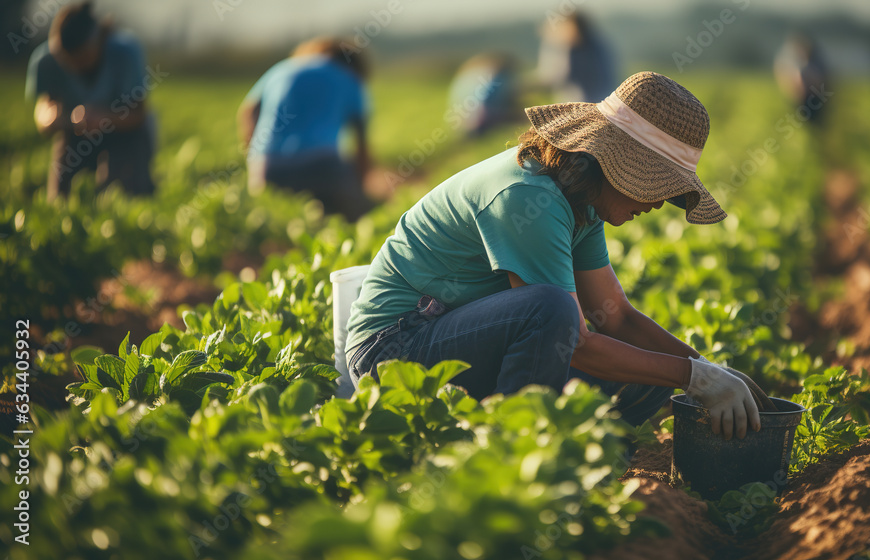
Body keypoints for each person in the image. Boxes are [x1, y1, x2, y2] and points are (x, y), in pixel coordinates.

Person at [347, 72, 761, 439]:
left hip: (455, 341)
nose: (662, 202)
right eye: (657, 184)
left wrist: (705, 369)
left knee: (651, 371)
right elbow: (571, 339)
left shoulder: (582, 196)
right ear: (615, 164)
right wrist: (693, 377)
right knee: (551, 309)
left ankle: (576, 461)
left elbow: (615, 316)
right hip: (395, 349)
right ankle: (516, 453)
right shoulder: (531, 198)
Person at [26, 1, 157, 200]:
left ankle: (133, 190)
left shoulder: (125, 52)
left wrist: (104, 117)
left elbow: (139, 114)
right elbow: (44, 112)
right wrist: (57, 119)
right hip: (75, 136)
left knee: (122, 194)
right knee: (61, 196)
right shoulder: (46, 60)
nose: (77, 67)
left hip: (124, 133)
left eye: (84, 58)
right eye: (68, 62)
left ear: (99, 40)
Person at [239, 37, 375, 221]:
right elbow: (362, 148)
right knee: (352, 216)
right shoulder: (349, 78)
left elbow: (248, 112)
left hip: (268, 168)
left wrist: (254, 156)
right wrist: (360, 191)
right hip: (323, 166)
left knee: (275, 222)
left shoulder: (282, 69)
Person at [536, 11, 618, 103]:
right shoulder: (599, 44)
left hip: (582, 103)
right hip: (602, 101)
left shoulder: (574, 49)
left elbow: (558, 76)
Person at [773, 34, 830, 125]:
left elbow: (822, 81)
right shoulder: (795, 63)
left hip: (814, 98)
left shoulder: (816, 62)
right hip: (803, 99)